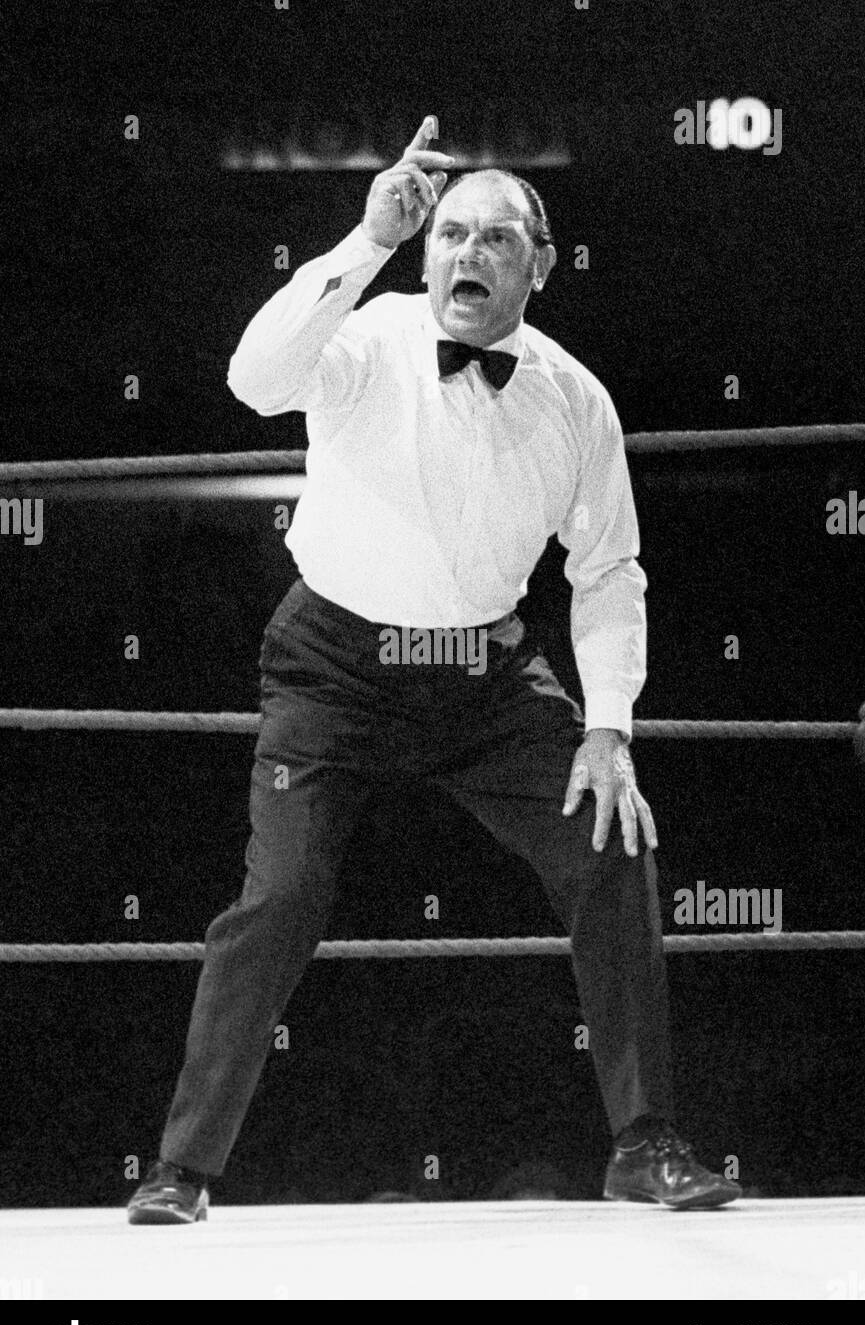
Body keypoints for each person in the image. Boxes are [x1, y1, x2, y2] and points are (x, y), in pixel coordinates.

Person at [128, 115, 740, 1223]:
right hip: (333, 669)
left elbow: (608, 569)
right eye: (450, 234)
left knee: (614, 838)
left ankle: (644, 1142)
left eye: (496, 238)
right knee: (281, 895)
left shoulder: (574, 398)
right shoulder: (365, 339)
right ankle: (182, 1167)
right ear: (425, 251)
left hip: (488, 679)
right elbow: (253, 379)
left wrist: (607, 725)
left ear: (538, 265)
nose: (467, 254)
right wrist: (362, 240)